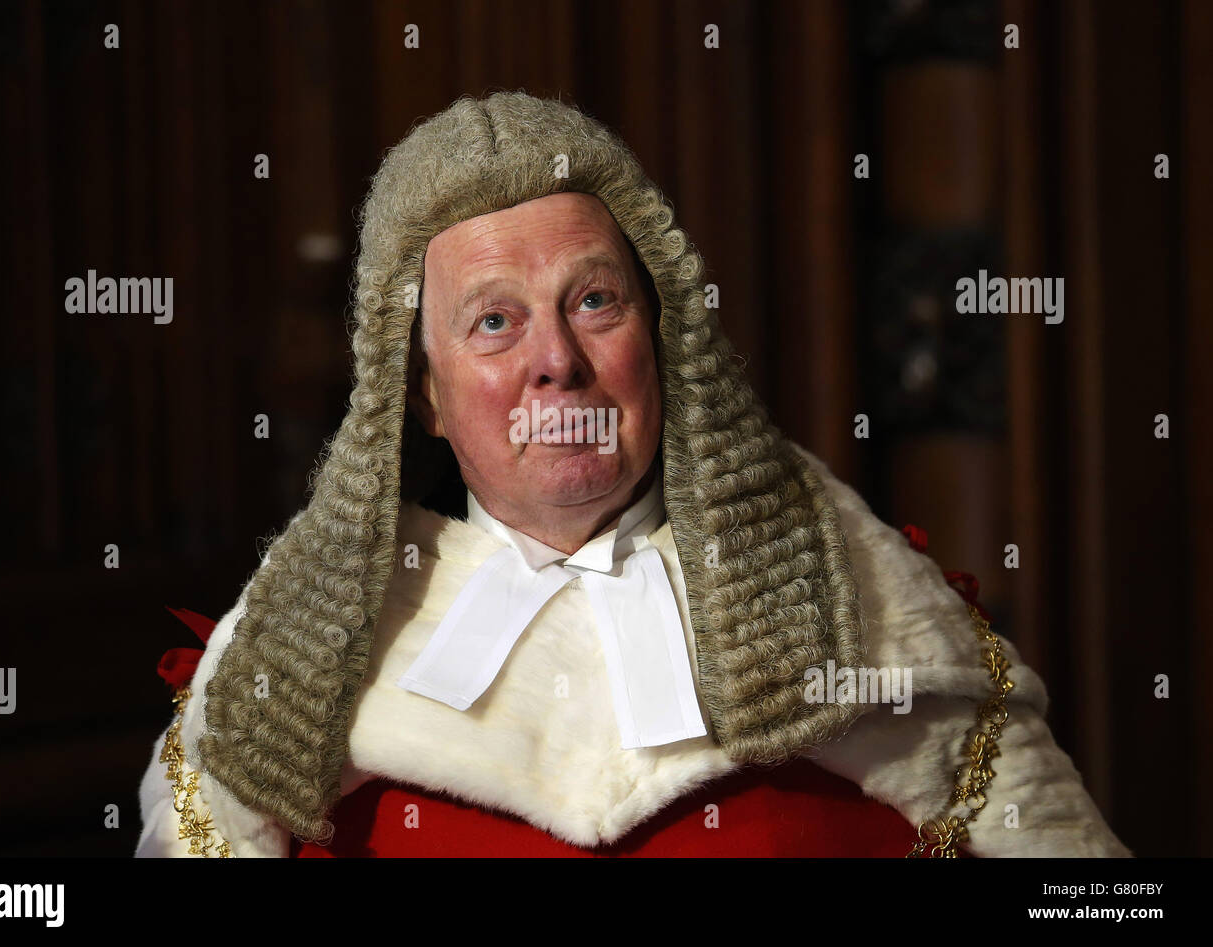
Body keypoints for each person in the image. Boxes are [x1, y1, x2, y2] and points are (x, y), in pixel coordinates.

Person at [135, 91, 1130, 858]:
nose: (555, 358)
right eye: (494, 319)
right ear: (424, 394)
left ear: (662, 338)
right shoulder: (295, 649)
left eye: (595, 300)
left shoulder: (865, 597)